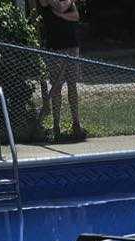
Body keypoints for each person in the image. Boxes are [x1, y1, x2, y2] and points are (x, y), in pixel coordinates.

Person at [39, 0, 87, 142]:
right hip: (55, 47)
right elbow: (60, 6)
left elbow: (76, 16)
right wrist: (69, 3)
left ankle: (76, 124)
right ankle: (56, 126)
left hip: (72, 46)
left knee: (72, 85)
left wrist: (61, 15)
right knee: (56, 87)